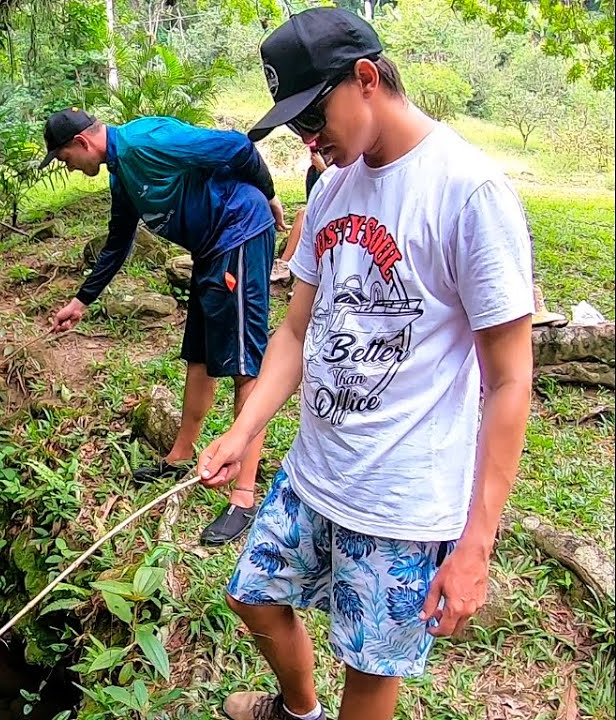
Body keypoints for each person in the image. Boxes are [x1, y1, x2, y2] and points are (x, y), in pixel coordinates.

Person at [198, 8, 534, 720]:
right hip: (316, 469)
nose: (308, 139)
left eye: (314, 116)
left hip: (402, 501)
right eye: (294, 126)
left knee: (369, 672)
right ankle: (299, 712)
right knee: (250, 596)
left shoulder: (468, 191)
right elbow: (294, 333)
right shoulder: (334, 189)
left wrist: (476, 545)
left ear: (367, 78)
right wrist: (243, 431)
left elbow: (509, 379)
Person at [39, 108, 287, 545]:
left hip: (240, 232)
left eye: (63, 159)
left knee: (245, 364)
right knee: (199, 355)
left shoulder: (147, 141)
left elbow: (237, 146)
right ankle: (179, 455)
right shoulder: (121, 172)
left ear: (81, 143)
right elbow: (119, 241)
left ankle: (244, 496)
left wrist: (268, 195)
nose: (70, 169)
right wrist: (82, 301)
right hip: (209, 248)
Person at [273, 148, 330, 283]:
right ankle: (285, 267)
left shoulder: (343, 168)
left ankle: (284, 265)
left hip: (342, 214)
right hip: (320, 214)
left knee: (303, 214)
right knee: (303, 214)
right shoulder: (313, 172)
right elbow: (312, 201)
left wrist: (324, 170)